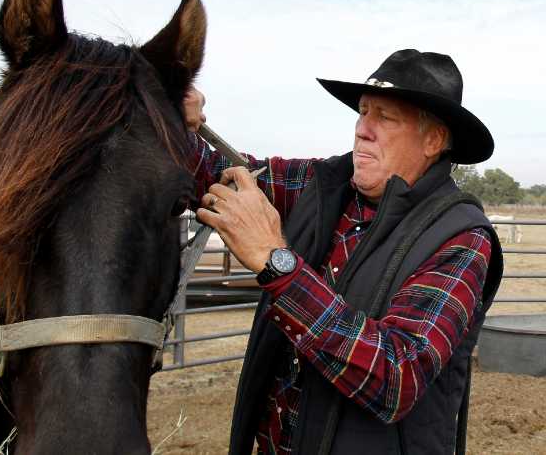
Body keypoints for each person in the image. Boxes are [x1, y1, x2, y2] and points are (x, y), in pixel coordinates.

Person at [186, 49, 503, 455]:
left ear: (433, 140)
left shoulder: (460, 237)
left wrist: (276, 263)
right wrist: (167, 104)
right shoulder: (324, 184)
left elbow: (397, 377)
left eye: (385, 117)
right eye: (363, 112)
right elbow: (217, 176)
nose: (363, 129)